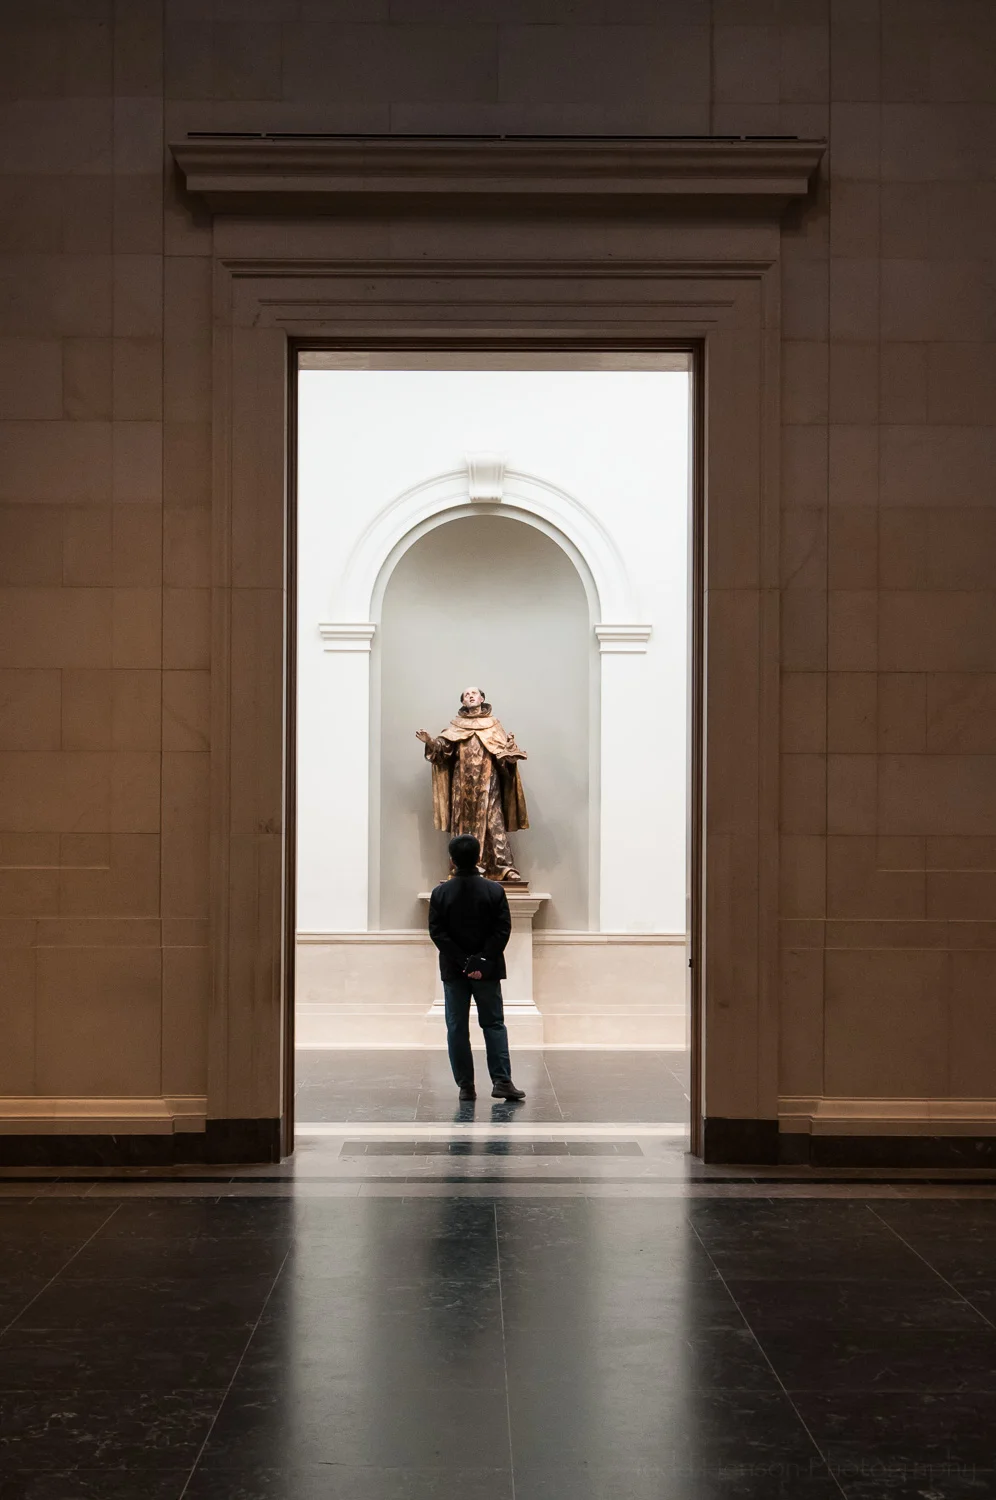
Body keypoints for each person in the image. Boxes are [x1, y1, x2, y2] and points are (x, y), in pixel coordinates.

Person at [427, 833, 526, 1103]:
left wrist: (463, 961)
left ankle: (466, 1087)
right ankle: (502, 1081)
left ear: (452, 860)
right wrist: (481, 960)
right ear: (479, 857)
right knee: (493, 1024)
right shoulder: (495, 890)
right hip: (487, 970)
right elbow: (502, 929)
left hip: (454, 971)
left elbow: (438, 933)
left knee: (457, 1027)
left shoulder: (440, 893)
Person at [416, 686, 528, 883]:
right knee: (464, 825)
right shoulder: (456, 727)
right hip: (463, 785)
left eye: (474, 693)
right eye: (466, 694)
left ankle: (503, 867)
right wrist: (431, 742)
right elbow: (442, 753)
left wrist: (509, 751)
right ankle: (466, 867)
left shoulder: (493, 725)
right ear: (463, 702)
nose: (470, 695)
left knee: (494, 822)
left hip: (488, 782)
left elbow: (502, 756)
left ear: (482, 698)